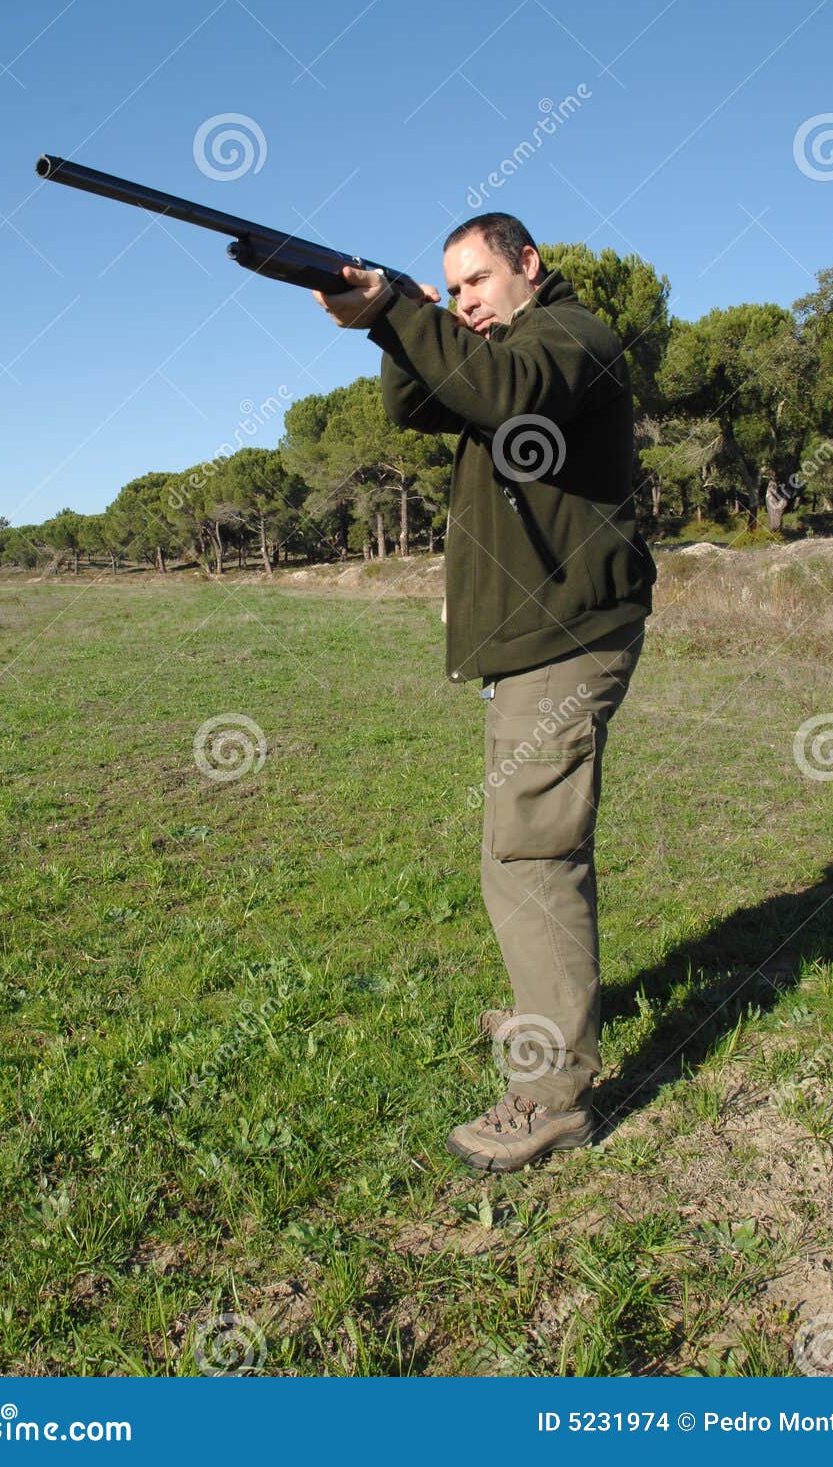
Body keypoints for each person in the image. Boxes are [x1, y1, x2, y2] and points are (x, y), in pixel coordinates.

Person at [313, 213, 656, 1172]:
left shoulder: (569, 337)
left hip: (568, 633)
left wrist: (395, 312)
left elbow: (500, 393)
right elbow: (416, 408)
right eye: (448, 288)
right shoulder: (490, 354)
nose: (461, 301)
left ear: (529, 268)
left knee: (531, 850)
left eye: (473, 283)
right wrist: (393, 322)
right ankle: (546, 1006)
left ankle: (551, 1093)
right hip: (533, 637)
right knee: (518, 844)